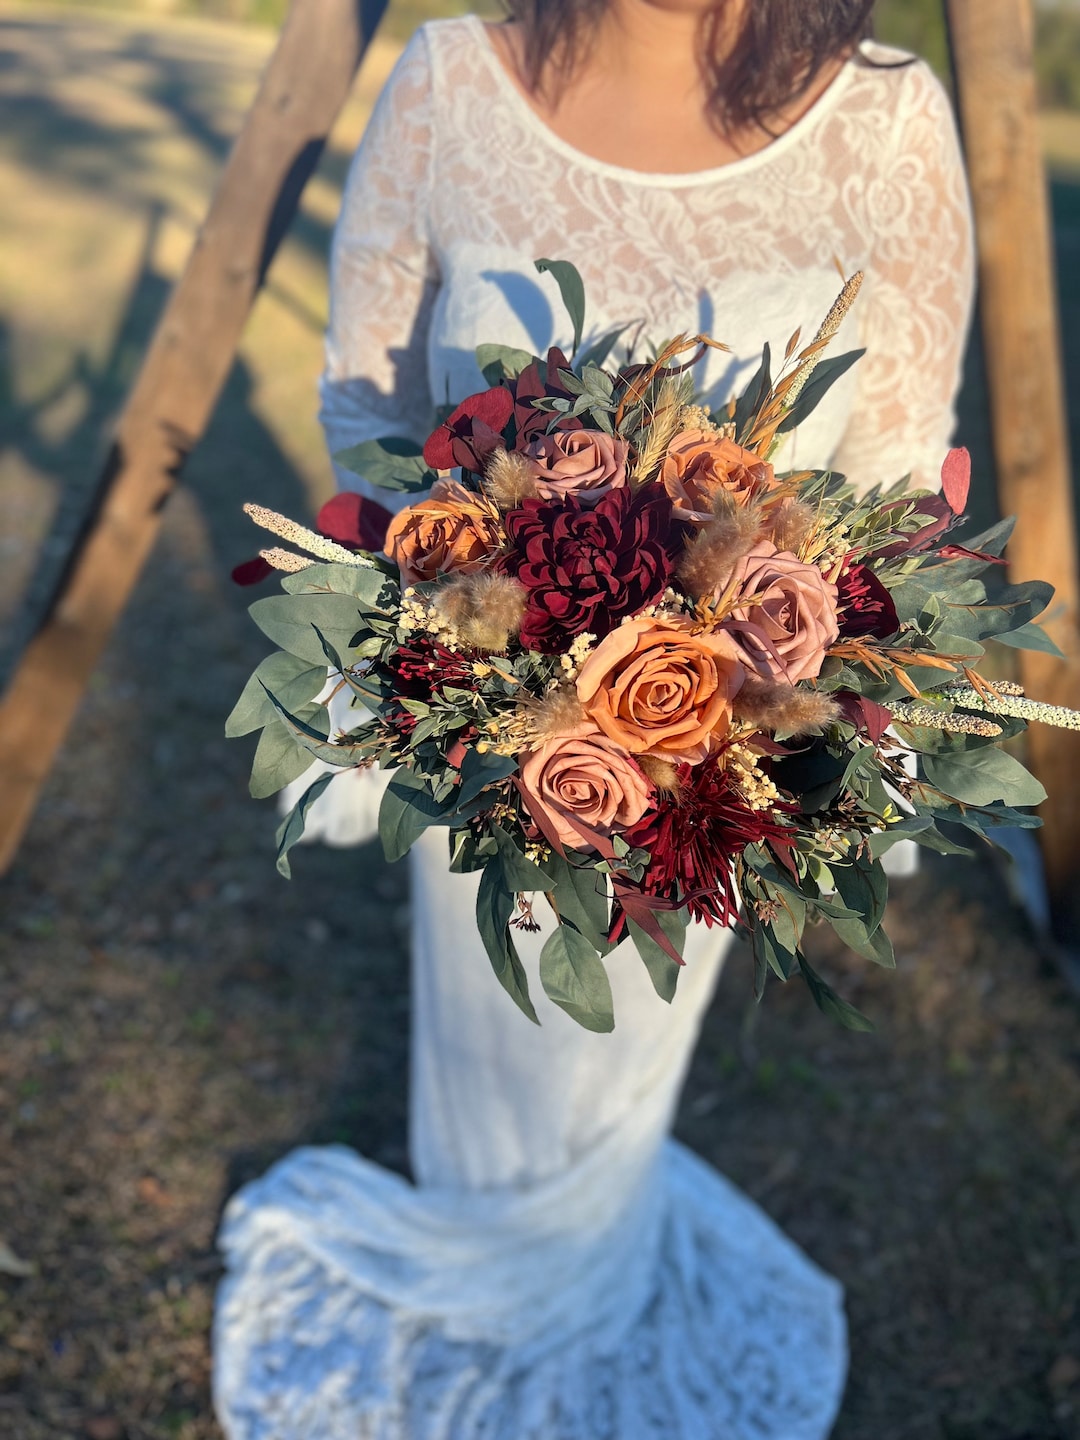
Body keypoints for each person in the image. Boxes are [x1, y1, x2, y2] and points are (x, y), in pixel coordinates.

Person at [213, 2, 974, 1435]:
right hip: (488, 734)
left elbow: (890, 468)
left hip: (714, 767)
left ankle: (589, 1270)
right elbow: (364, 392)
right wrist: (466, 643)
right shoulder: (450, 81)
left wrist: (756, 705)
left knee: (632, 1038)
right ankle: (488, 1265)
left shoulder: (884, 119)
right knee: (490, 1023)